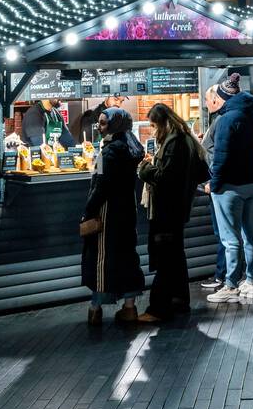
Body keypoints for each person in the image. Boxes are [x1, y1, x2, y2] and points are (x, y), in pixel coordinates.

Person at [137, 102, 208, 323]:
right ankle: (180, 300)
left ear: (164, 123)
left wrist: (144, 169)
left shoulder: (174, 143)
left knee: (166, 258)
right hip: (179, 208)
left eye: (154, 125)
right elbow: (201, 172)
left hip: (167, 209)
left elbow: (164, 177)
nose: (153, 130)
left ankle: (158, 308)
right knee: (176, 256)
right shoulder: (186, 140)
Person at [207, 72, 253, 304]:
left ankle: (231, 285)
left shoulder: (226, 120)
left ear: (224, 97)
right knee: (252, 234)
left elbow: (221, 156)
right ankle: (251, 282)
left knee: (230, 239)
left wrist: (214, 184)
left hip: (230, 187)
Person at [81, 107, 145, 326]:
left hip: (108, 213)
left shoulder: (109, 152)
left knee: (102, 260)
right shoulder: (132, 147)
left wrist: (88, 211)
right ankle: (130, 308)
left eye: (103, 123)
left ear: (115, 125)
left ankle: (95, 309)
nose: (99, 127)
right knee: (127, 257)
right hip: (127, 210)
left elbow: (100, 186)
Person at [200, 84, 228, 290]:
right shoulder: (219, 120)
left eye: (207, 100)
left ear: (216, 100)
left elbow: (220, 155)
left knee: (223, 233)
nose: (205, 104)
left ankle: (224, 276)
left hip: (218, 185)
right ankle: (227, 275)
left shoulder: (220, 121)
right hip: (220, 183)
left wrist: (213, 181)